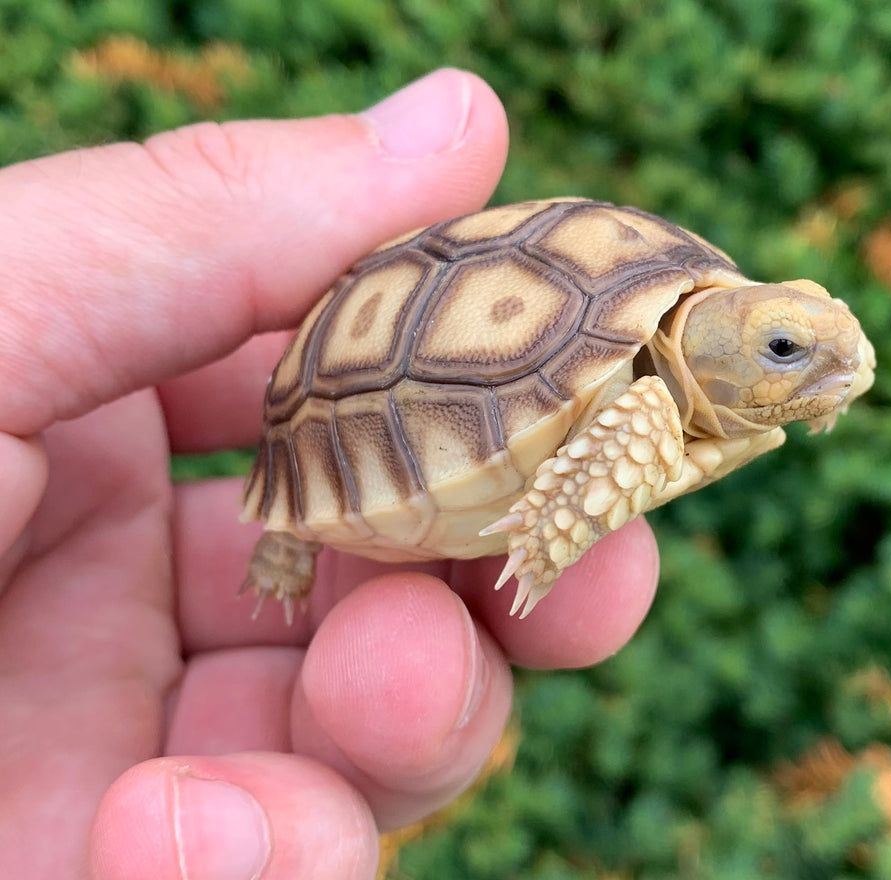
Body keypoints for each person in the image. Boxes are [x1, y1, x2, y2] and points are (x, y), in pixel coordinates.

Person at [0, 69, 660, 879]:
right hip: (372, 372)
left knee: (404, 695)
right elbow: (636, 411)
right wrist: (558, 525)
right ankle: (291, 532)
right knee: (404, 681)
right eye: (782, 353)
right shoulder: (645, 406)